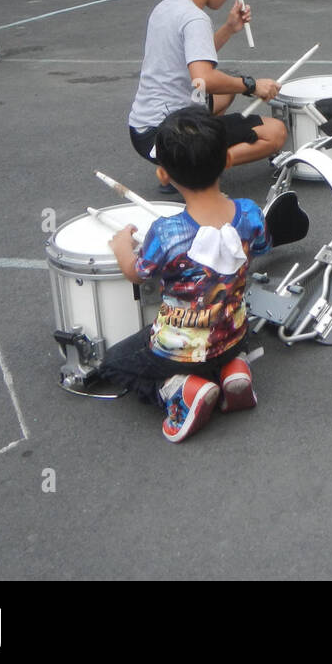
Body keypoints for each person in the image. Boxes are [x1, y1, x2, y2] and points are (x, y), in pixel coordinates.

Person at [102, 108, 271, 443]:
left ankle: (180, 389)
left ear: (163, 174)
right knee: (226, 325)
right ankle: (234, 368)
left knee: (115, 362)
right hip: (233, 332)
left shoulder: (167, 233)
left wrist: (122, 247)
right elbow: (263, 246)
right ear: (227, 160)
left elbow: (138, 274)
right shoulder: (250, 213)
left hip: (179, 350)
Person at [127, 0, 286, 185]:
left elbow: (191, 57)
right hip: (168, 135)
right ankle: (191, 171)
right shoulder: (195, 18)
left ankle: (185, 162)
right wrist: (252, 85)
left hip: (142, 129)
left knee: (225, 94)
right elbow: (203, 77)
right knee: (275, 133)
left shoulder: (166, 7)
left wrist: (229, 27)